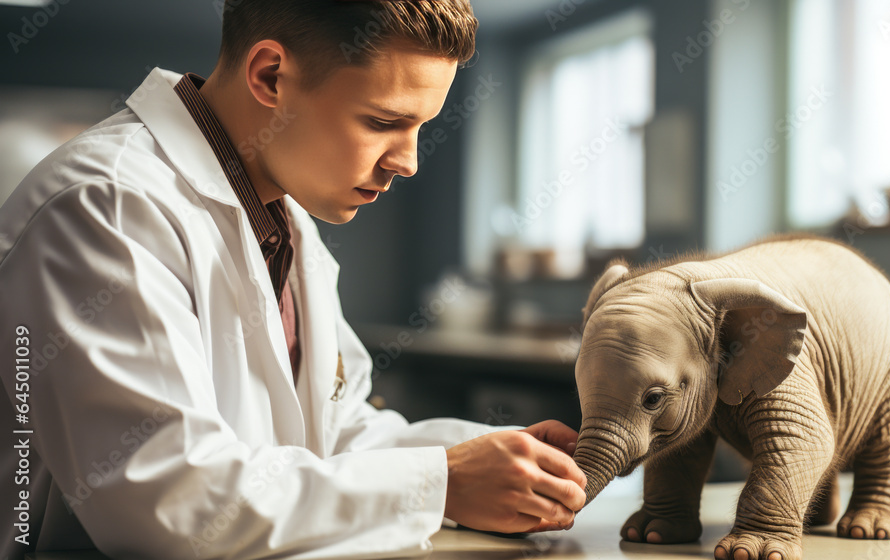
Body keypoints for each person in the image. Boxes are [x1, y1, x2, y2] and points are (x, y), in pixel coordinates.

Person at [0, 1, 587, 558]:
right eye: (384, 121)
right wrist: (440, 483)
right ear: (271, 75)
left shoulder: (283, 220)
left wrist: (501, 461)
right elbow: (166, 501)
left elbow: (330, 436)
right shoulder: (109, 204)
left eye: (420, 128)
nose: (408, 161)